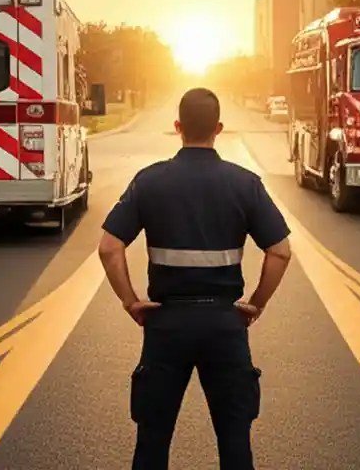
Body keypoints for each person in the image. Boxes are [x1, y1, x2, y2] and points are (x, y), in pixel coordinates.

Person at [98, 88, 293, 470]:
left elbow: (109, 247)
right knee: (235, 443)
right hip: (225, 326)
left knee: (152, 441)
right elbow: (280, 251)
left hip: (166, 325)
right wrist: (256, 303)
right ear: (218, 128)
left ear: (178, 127)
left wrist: (131, 302)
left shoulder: (150, 181)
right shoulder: (245, 183)